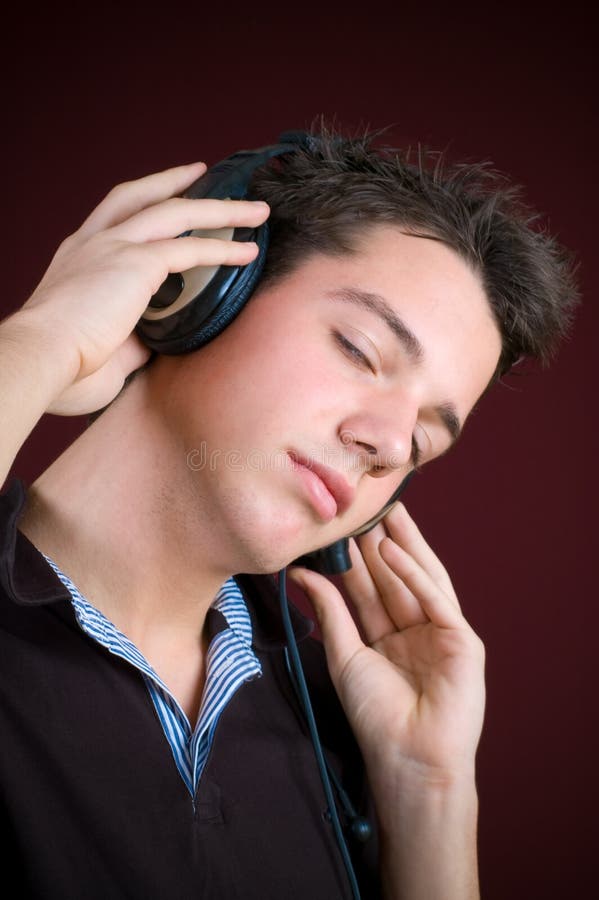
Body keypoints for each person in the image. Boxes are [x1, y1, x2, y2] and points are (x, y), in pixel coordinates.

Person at [0, 126, 578, 899]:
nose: (386, 444)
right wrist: (42, 342)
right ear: (194, 291)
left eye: (422, 442)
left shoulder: (334, 723)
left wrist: (428, 793)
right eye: (359, 349)